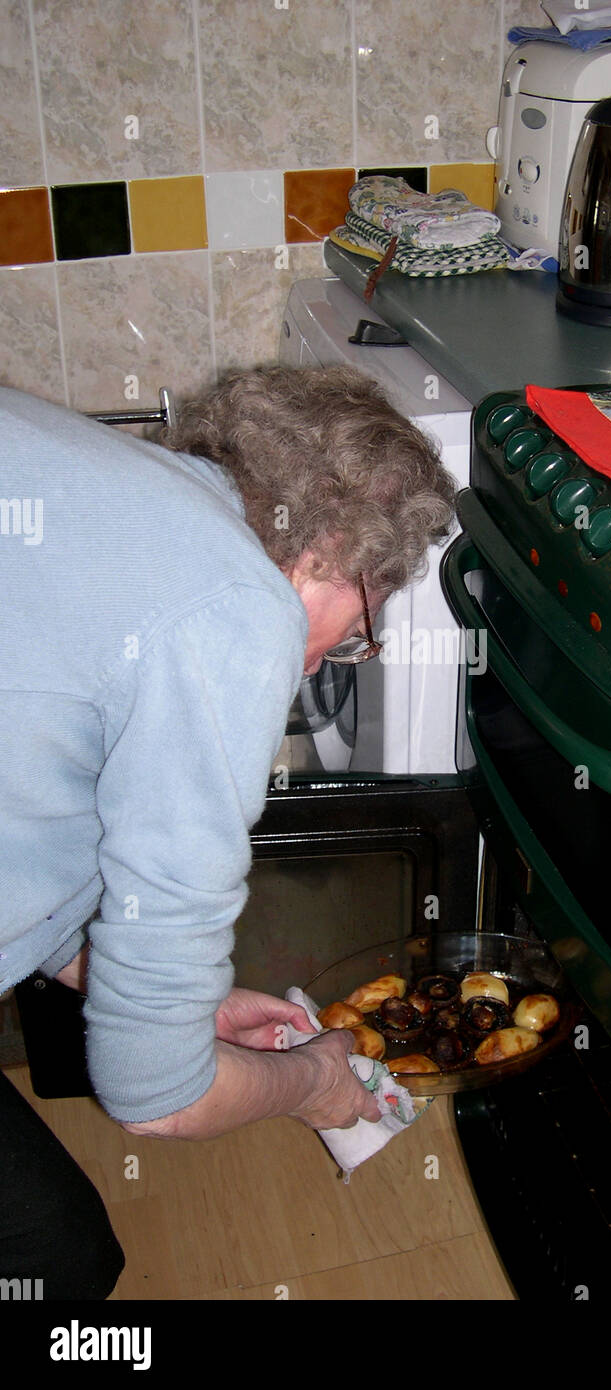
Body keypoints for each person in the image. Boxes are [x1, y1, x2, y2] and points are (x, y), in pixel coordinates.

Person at [0, 363, 457, 1297]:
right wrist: (318, 1086)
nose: (331, 657)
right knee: (54, 1262)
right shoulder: (239, 613)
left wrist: (164, 996)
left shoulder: (114, 483)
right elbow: (156, 1097)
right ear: (340, 556)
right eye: (362, 627)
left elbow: (28, 795)